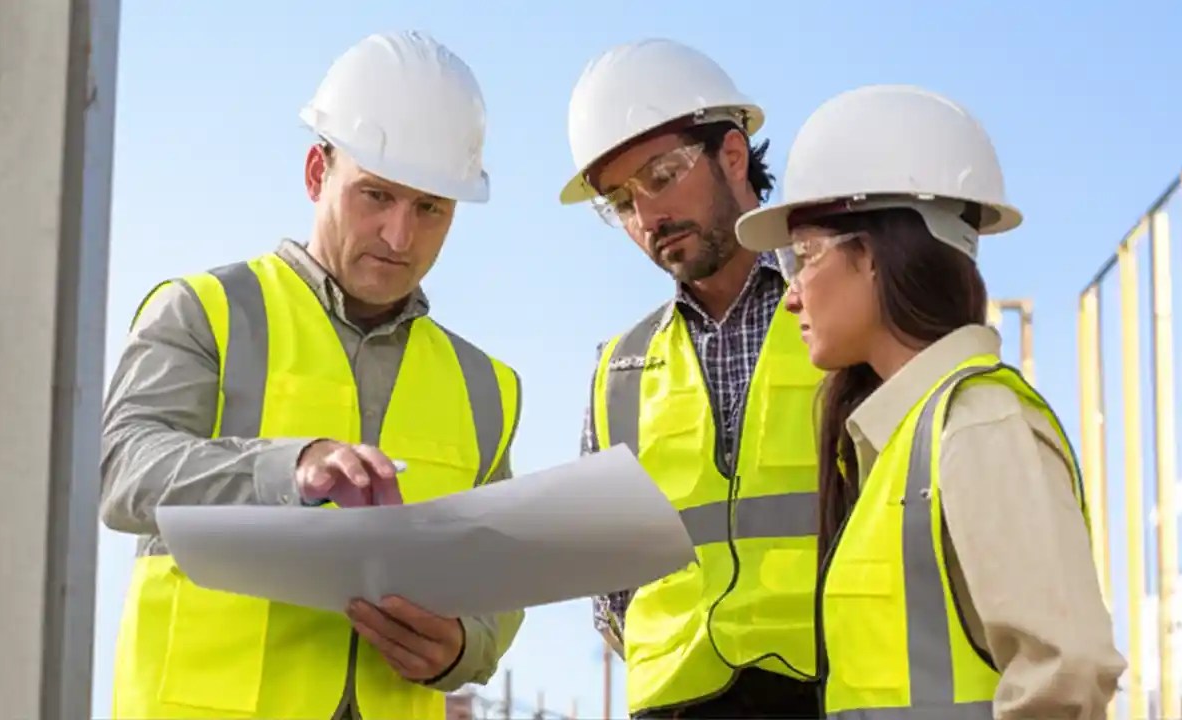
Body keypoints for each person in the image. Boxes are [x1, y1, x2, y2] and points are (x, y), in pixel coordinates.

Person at [100, 31, 524, 720]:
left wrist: (464, 647)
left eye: (429, 210)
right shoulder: (207, 313)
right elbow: (122, 470)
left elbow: (500, 576)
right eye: (376, 196)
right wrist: (289, 469)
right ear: (315, 173)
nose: (398, 237)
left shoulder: (485, 386)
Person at [735, 83, 1126, 719]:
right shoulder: (898, 447)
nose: (791, 294)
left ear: (875, 257)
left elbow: (1067, 671)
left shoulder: (979, 427)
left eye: (801, 256)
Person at [564, 38, 826, 719]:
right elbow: (610, 597)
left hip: (833, 693)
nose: (646, 216)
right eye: (620, 201)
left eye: (660, 175)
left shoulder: (844, 311)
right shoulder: (617, 371)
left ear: (733, 156)